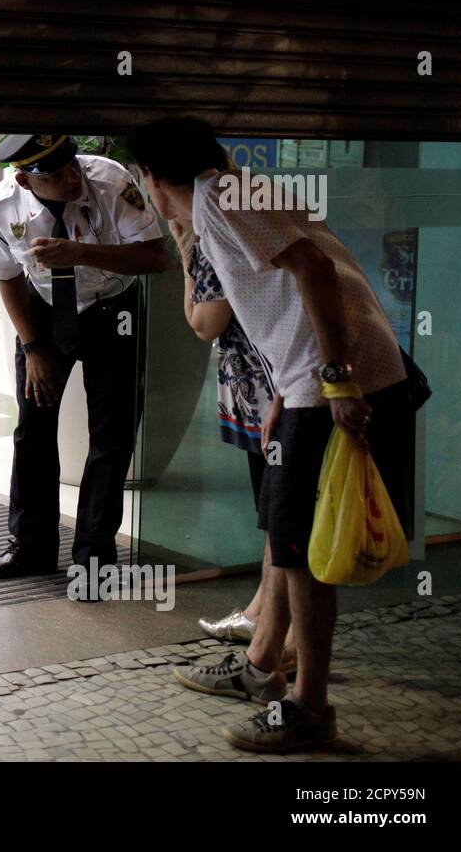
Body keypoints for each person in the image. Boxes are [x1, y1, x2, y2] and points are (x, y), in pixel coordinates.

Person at [131, 117, 415, 752]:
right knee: (290, 542)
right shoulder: (235, 192)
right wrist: (288, 388)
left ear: (150, 176)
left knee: (298, 554)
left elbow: (316, 268)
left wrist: (334, 380)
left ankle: (308, 705)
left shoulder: (222, 199)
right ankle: (265, 671)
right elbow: (294, 289)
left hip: (333, 383)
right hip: (312, 384)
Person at [0, 134, 169, 590]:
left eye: (71, 167)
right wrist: (33, 348)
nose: (71, 178)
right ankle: (31, 547)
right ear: (24, 180)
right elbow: (6, 277)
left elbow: (155, 257)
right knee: (33, 430)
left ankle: (94, 560)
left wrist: (78, 253)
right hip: (42, 314)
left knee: (112, 432)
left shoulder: (109, 180)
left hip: (112, 311)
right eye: (55, 175)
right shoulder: (0, 206)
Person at [166, 211, 296, 679]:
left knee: (285, 519)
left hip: (273, 398)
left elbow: (205, 322)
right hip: (270, 394)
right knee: (275, 514)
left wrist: (185, 257)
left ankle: (284, 645)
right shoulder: (250, 222)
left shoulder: (215, 234)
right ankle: (261, 618)